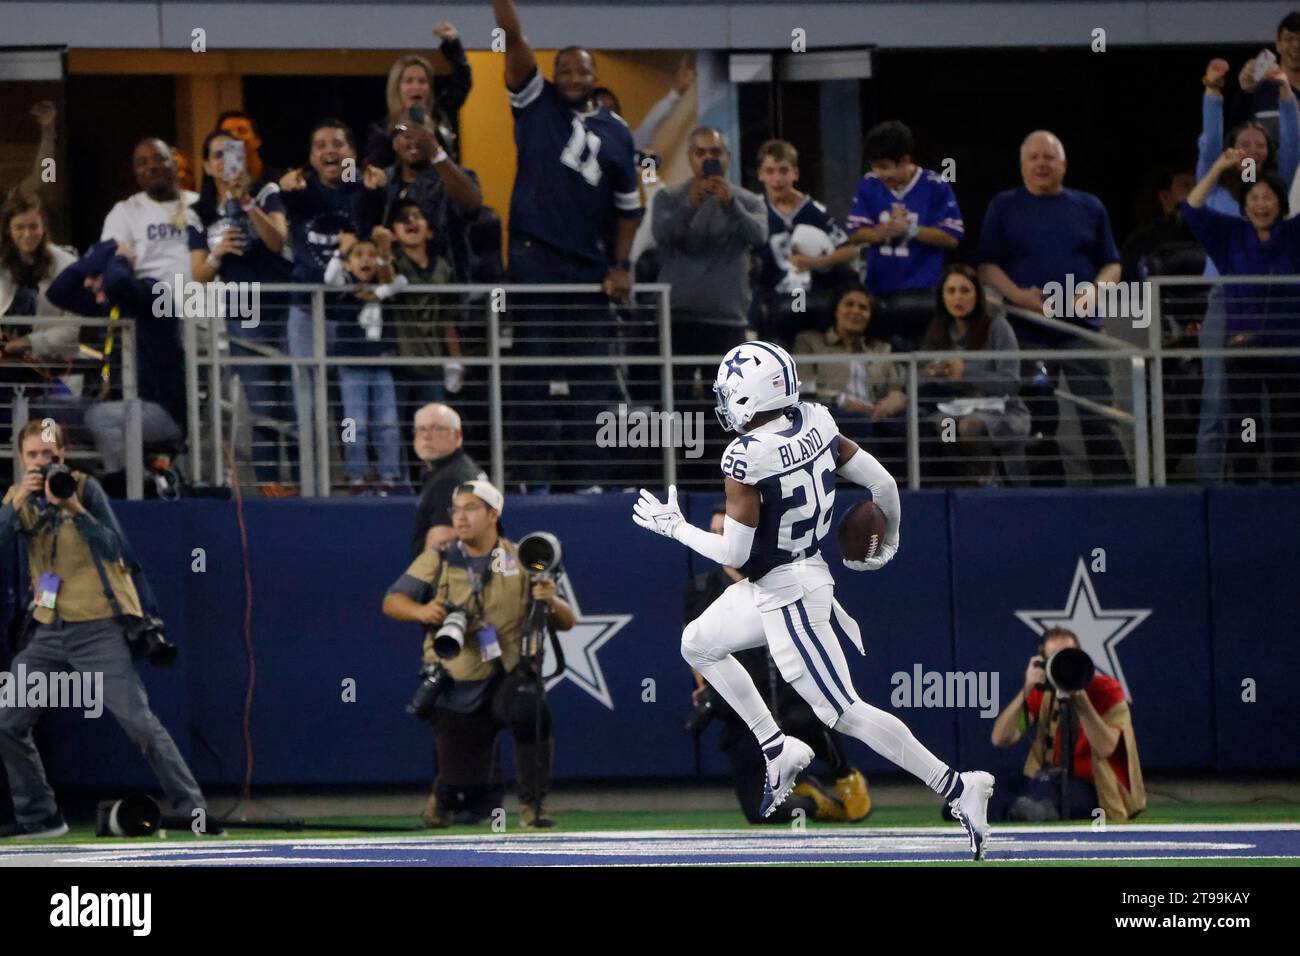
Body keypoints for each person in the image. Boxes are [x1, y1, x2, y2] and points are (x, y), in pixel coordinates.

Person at [631, 340, 995, 859]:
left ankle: (959, 786)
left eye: (730, 394)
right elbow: (883, 484)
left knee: (843, 711)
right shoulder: (817, 420)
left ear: (751, 397)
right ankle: (777, 747)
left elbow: (734, 551)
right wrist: (888, 542)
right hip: (783, 578)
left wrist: (675, 528)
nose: (724, 404)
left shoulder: (745, 456)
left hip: (791, 594)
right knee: (698, 643)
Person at [0, 419, 212, 838]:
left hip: (96, 625)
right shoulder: (19, 498)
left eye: (48, 454)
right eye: (32, 455)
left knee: (140, 723)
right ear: (22, 459)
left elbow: (117, 549)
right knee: (6, 721)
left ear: (63, 454)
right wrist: (17, 502)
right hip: (47, 627)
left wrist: (75, 510)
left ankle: (196, 811)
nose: (41, 462)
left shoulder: (84, 489)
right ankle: (40, 816)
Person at [491, 0, 643, 490]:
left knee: (591, 378)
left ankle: (590, 481)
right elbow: (515, 41)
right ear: (552, 76)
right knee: (532, 372)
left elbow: (629, 210)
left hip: (589, 270)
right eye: (565, 70)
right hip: (533, 258)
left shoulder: (618, 132)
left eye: (582, 70)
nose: (574, 77)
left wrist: (621, 265)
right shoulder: (535, 102)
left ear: (596, 77)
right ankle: (529, 480)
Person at [383, 479, 575, 829]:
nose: (460, 517)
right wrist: (421, 611)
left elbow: (567, 622)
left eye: (470, 508)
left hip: (508, 671)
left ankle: (533, 805)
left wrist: (551, 600)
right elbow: (392, 601)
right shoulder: (440, 557)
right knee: (462, 779)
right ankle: (444, 797)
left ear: (493, 513)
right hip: (458, 676)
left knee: (530, 709)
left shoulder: (520, 557)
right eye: (456, 510)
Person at [684, 505, 871, 825]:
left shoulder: (777, 573)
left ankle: (845, 774)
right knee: (762, 811)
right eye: (713, 532)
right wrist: (706, 688)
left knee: (818, 711)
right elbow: (696, 649)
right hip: (747, 703)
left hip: (789, 686)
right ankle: (813, 801)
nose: (718, 537)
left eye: (724, 531)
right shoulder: (703, 588)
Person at [977, 130, 1128, 485]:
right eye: (1033, 157)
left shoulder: (1090, 206)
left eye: (1049, 157)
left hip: (1081, 329)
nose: (1041, 164)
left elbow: (1112, 264)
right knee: (1038, 417)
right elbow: (986, 266)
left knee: (1097, 412)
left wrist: (1093, 292)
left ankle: (1119, 491)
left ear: (1064, 163)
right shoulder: (1003, 206)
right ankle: (1047, 494)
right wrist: (1018, 296)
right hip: (1027, 330)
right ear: (1022, 166)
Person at [1196, 58, 1299, 483]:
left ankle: (1275, 489)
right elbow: (1209, 143)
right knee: (1217, 398)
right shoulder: (1216, 185)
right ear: (1231, 150)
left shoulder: (1274, 187)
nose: (1253, 149)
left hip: (1275, 306)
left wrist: (1285, 92)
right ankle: (1211, 490)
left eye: (1260, 143)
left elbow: (1293, 140)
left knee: (1274, 407)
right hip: (1226, 301)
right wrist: (1213, 93)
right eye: (1244, 143)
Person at [278, 119, 388, 480]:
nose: (330, 151)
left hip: (353, 314)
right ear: (311, 156)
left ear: (352, 153)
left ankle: (357, 479)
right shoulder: (296, 190)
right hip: (306, 311)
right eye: (321, 145)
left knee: (352, 407)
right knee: (307, 404)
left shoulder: (367, 189)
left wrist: (377, 187)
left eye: (338, 144)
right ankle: (313, 483)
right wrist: (281, 186)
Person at [188, 128, 293, 491]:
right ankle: (271, 489)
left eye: (231, 152)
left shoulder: (266, 192)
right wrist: (217, 254)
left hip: (286, 308)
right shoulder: (199, 212)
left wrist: (247, 203)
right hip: (243, 313)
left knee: (295, 404)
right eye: (217, 155)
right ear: (206, 165)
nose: (224, 162)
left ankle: (304, 487)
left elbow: (277, 240)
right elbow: (198, 275)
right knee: (262, 406)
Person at [45, 240, 186, 494]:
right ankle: (51, 482)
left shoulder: (154, 293)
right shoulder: (110, 305)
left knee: (99, 417)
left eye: (95, 276)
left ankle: (129, 485)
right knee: (47, 407)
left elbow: (118, 283)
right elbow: (58, 292)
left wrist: (118, 257)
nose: (87, 284)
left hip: (162, 411)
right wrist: (99, 256)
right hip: (113, 404)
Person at [989, 628, 1146, 822]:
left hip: (1091, 786)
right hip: (1045, 779)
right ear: (1043, 662)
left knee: (1050, 791)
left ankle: (1018, 808)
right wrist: (1027, 689)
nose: (1063, 666)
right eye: (1055, 659)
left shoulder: (1106, 690)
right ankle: (1019, 808)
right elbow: (1002, 738)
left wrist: (1084, 706)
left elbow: (1107, 749)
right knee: (996, 783)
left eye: (1068, 657)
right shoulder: (1041, 695)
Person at [919, 264, 1030, 485]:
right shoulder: (938, 331)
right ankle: (964, 479)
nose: (957, 298)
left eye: (965, 290)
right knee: (945, 425)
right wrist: (933, 374)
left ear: (977, 295)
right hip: (955, 408)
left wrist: (965, 372)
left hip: (1001, 410)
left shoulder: (997, 327)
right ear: (942, 297)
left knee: (969, 426)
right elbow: (921, 375)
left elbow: (1010, 382)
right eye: (951, 291)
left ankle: (987, 479)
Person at [847, 121, 963, 325]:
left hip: (924, 291)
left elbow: (952, 238)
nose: (880, 173)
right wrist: (883, 232)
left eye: (885, 167)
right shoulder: (869, 183)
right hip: (877, 291)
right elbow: (856, 234)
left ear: (905, 161)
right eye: (874, 166)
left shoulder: (935, 186)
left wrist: (910, 229)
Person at [751, 139, 859, 347]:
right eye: (770, 171)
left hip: (805, 293)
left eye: (783, 171)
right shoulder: (755, 210)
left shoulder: (814, 211)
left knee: (797, 313)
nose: (777, 179)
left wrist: (814, 262)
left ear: (795, 173)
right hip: (768, 295)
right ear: (760, 174)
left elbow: (850, 250)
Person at [0, 193, 82, 459]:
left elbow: (73, 329)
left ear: (44, 226)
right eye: (19, 227)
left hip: (49, 372)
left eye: (33, 226)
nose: (27, 235)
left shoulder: (66, 265)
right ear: (8, 229)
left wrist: (27, 343)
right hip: (5, 371)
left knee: (47, 434)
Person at [793, 285, 906, 474]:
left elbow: (895, 390)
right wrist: (842, 400)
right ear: (836, 310)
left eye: (863, 307)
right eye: (849, 304)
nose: (856, 311)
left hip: (876, 413)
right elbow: (805, 388)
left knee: (910, 423)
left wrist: (891, 402)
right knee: (859, 423)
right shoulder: (810, 341)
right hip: (833, 411)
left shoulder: (881, 349)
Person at [324, 230, 403, 495]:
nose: (366, 260)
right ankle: (356, 475)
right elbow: (329, 277)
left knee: (388, 422)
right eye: (358, 255)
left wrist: (379, 292)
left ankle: (389, 475)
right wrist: (340, 252)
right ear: (348, 264)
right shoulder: (344, 287)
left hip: (381, 365)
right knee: (353, 423)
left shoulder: (386, 284)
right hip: (351, 367)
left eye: (371, 254)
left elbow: (401, 281)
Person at [390, 200, 465, 454]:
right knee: (396, 431)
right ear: (393, 232)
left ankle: (437, 475)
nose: (410, 221)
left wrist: (455, 361)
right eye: (402, 218)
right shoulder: (391, 265)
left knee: (436, 430)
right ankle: (401, 477)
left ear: (430, 231)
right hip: (398, 364)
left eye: (417, 216)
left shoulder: (443, 269)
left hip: (432, 364)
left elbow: (447, 318)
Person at [381, 107, 482, 282]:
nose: (415, 140)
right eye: (406, 133)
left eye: (423, 133)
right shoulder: (383, 180)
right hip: (393, 290)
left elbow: (472, 205)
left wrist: (435, 152)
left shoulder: (455, 178)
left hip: (446, 289)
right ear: (395, 142)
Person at [366, 24, 473, 170]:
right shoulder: (383, 132)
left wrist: (453, 44)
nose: (416, 87)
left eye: (422, 81)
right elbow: (376, 172)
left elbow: (462, 82)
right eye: (408, 81)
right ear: (397, 88)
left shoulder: (441, 115)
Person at [409, 402, 486, 558]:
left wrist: (422, 573)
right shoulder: (461, 466)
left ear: (457, 436)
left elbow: (443, 539)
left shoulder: (450, 480)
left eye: (437, 428)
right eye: (421, 429)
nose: (427, 436)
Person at [216, 110, 283, 187]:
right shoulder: (215, 187)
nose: (235, 137)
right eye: (227, 133)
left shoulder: (279, 182)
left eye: (242, 131)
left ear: (257, 140)